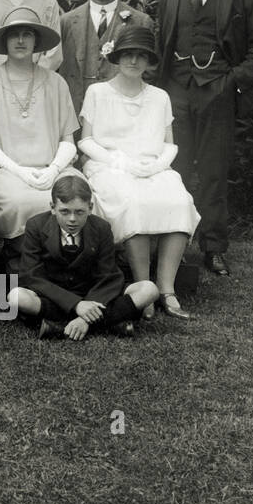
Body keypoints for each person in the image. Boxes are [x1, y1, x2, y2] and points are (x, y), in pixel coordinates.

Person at [155, 0, 253, 277]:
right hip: (176, 92)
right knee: (171, 170)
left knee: (213, 172)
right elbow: (162, 45)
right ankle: (165, 244)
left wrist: (232, 82)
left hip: (219, 93)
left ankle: (213, 248)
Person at [78, 27, 200, 321]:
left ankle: (167, 288)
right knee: (133, 202)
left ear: (149, 62)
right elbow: (85, 141)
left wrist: (155, 166)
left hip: (152, 166)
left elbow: (169, 145)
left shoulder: (159, 97)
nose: (134, 61)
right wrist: (120, 162)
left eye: (141, 56)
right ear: (116, 57)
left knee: (179, 201)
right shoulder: (98, 92)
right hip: (109, 165)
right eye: (128, 54)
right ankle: (142, 287)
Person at [0, 8, 80, 257]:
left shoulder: (56, 83)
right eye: (13, 35)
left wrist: (53, 170)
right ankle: (21, 268)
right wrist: (19, 171)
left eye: (27, 34)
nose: (20, 41)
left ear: (37, 41)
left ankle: (67, 269)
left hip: (55, 167)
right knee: (20, 202)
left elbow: (68, 140)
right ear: (4, 42)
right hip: (6, 171)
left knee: (75, 197)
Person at [8, 176, 159, 340]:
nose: (72, 219)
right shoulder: (36, 225)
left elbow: (108, 276)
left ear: (90, 207)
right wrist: (76, 304)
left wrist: (85, 316)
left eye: (79, 212)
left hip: (95, 295)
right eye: (64, 211)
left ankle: (61, 327)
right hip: (55, 297)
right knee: (16, 297)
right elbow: (31, 276)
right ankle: (111, 323)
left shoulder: (101, 228)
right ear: (53, 208)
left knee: (149, 289)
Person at [59, 0, 154, 114]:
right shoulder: (66, 22)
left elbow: (149, 73)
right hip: (75, 111)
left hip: (123, 112)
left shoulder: (141, 21)